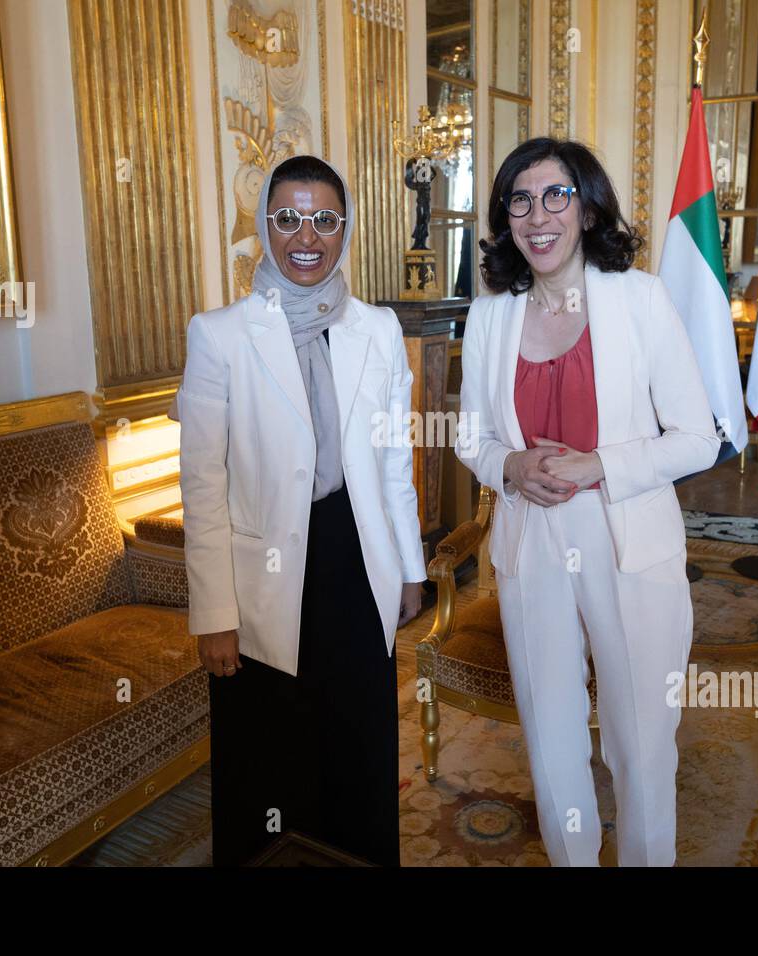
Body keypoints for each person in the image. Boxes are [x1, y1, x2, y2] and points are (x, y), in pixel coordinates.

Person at [456, 138, 720, 867]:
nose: (538, 215)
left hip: (627, 540)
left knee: (640, 743)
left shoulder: (640, 300)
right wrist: (508, 464)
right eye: (520, 199)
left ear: (587, 206)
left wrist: (598, 464)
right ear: (505, 217)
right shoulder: (489, 318)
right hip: (528, 539)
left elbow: (699, 437)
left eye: (556, 196)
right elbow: (469, 437)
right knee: (551, 737)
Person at [176, 155, 426, 867]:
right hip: (262, 579)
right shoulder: (220, 334)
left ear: (344, 229)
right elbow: (203, 484)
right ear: (265, 227)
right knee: (271, 755)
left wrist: (409, 567)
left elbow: (391, 462)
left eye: (323, 219)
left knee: (358, 743)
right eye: (287, 218)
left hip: (357, 562)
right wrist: (214, 612)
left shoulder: (376, 329)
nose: (305, 236)